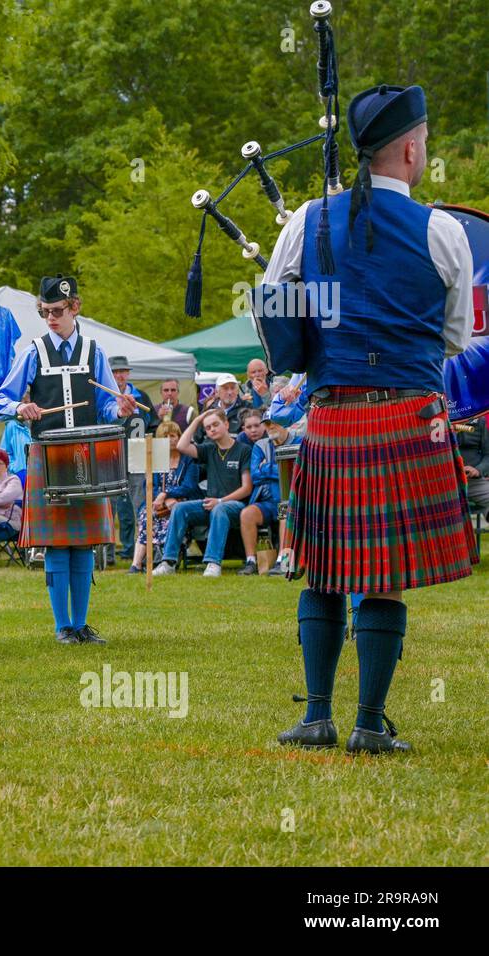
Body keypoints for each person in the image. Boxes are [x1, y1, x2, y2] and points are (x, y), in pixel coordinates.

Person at [266, 84, 476, 754]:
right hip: (409, 417)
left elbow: (274, 310)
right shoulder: (442, 231)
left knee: (324, 568)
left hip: (331, 417)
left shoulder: (307, 221)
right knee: (382, 574)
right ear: (411, 148)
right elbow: (454, 340)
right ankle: (368, 724)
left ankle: (317, 716)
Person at [0, 274, 137, 645]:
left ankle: (81, 624)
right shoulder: (33, 351)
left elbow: (105, 405)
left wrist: (118, 408)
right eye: (45, 312)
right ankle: (62, 627)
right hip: (47, 455)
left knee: (83, 541)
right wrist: (21, 406)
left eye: (57, 311)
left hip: (86, 454)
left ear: (75, 308)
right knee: (55, 542)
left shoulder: (94, 352)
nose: (51, 318)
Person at [154, 408, 252, 577]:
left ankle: (213, 564)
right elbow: (181, 446)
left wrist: (220, 501)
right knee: (180, 508)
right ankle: (168, 562)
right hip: (210, 504)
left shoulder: (243, 450)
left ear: (227, 424)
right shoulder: (209, 449)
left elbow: (247, 488)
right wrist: (197, 420)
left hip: (236, 507)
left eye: (215, 424)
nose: (212, 429)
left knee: (219, 509)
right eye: (208, 427)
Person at [128, 420, 200, 573]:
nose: (171, 439)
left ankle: (166, 560)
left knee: (172, 517)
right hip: (159, 504)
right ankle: (136, 564)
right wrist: (163, 498)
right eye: (166, 436)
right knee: (146, 516)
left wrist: (167, 494)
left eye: (173, 435)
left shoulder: (189, 460)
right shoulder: (156, 461)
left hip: (182, 503)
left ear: (180, 437)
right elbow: (149, 486)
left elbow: (189, 486)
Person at [109, 355, 153, 562]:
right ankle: (107, 551)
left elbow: (153, 424)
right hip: (109, 456)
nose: (119, 375)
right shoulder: (103, 396)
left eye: (122, 371)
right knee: (109, 504)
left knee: (137, 503)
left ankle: (137, 549)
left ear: (128, 373)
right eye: (115, 372)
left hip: (135, 455)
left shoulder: (141, 396)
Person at [236, 409, 280, 575]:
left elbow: (292, 471)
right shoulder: (259, 446)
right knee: (247, 514)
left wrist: (266, 467)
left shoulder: (294, 440)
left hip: (289, 499)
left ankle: (281, 561)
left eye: (258, 425)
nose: (254, 430)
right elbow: (255, 475)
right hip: (266, 501)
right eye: (268, 424)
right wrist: (275, 471)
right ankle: (251, 561)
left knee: (285, 512)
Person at [458, 415, 489, 517]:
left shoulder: (480, 419)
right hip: (446, 482)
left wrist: (478, 470)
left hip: (474, 481)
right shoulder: (437, 418)